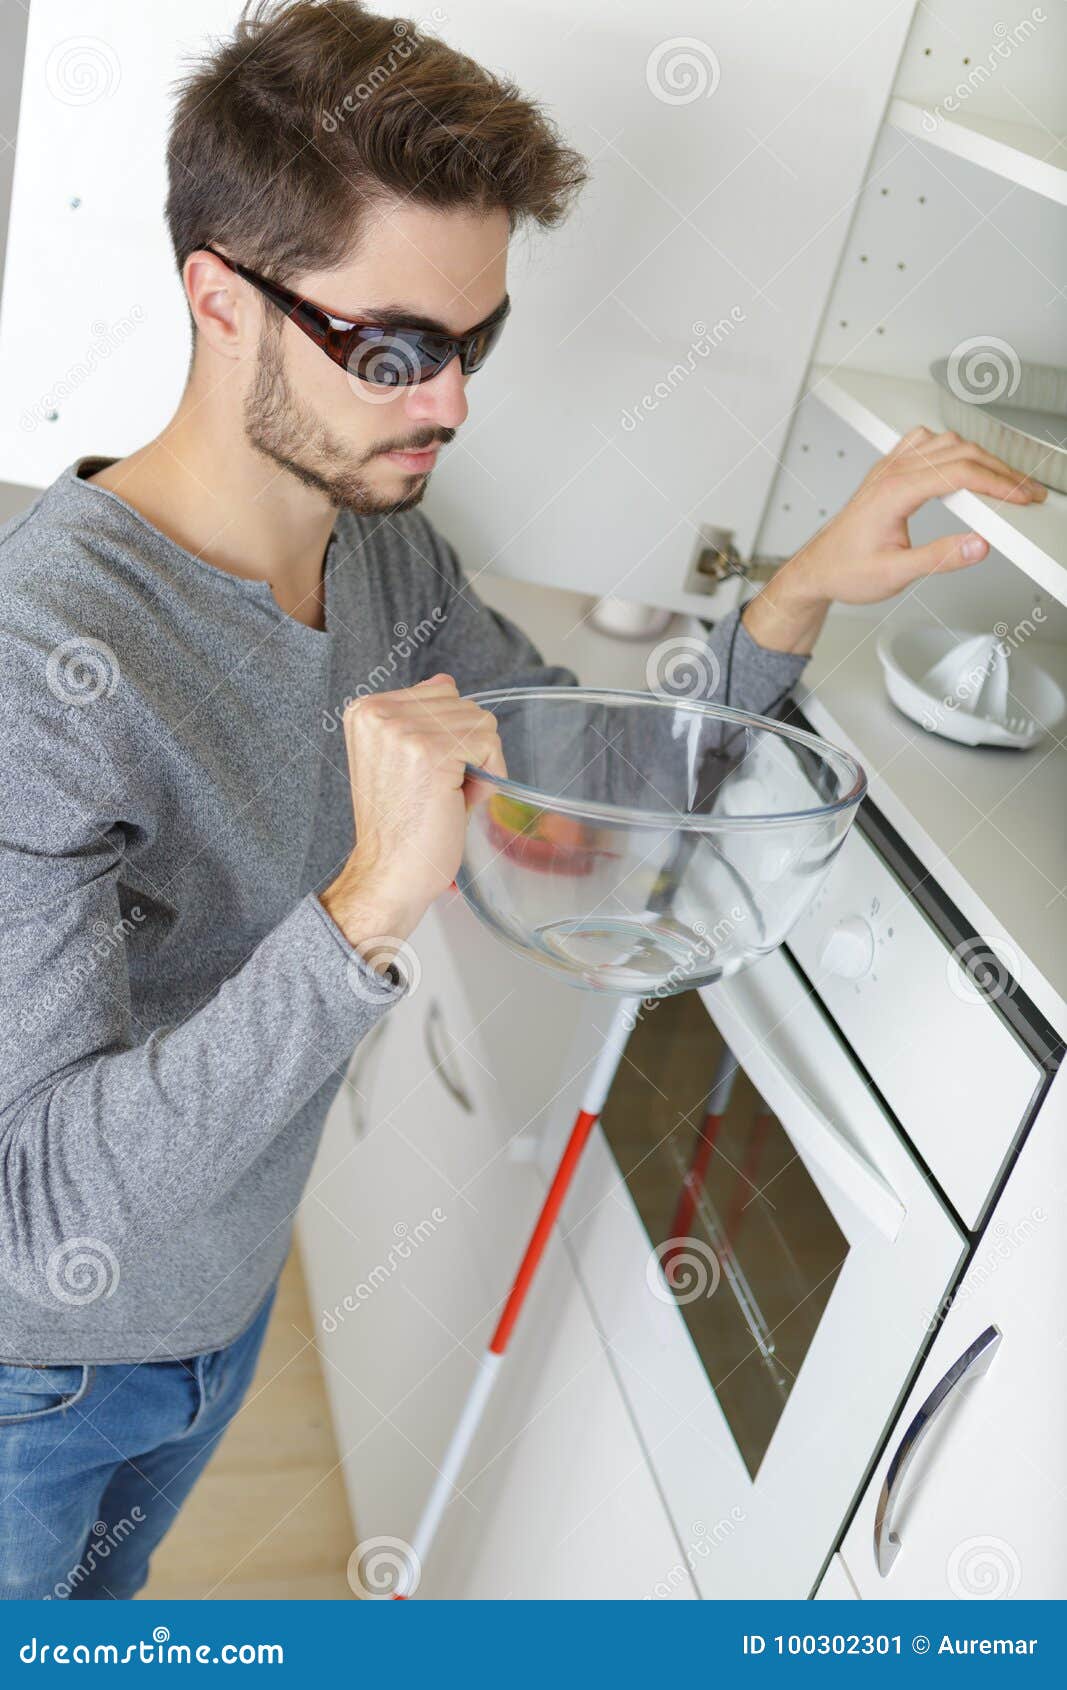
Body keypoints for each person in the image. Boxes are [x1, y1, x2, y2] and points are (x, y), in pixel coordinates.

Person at [0, 0, 1044, 1600]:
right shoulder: (47, 662)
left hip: (215, 1314)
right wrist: (364, 917)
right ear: (221, 299)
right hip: (35, 1380)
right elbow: (35, 1205)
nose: (453, 407)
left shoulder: (390, 557)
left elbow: (580, 766)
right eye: (396, 350)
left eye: (475, 343)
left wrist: (796, 594)